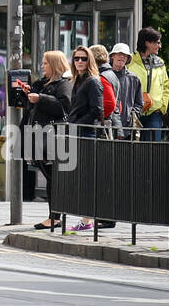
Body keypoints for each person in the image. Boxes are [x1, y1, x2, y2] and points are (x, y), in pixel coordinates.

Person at [15, 50, 72, 230]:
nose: (42, 66)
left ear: (54, 65)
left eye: (45, 63)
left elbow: (63, 107)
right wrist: (29, 94)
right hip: (37, 135)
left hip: (51, 136)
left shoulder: (63, 84)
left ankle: (54, 216)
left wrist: (40, 98)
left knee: (52, 177)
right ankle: (53, 216)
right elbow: (32, 105)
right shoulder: (43, 83)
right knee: (50, 177)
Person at [65, 46, 104, 231]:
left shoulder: (92, 82)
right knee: (82, 177)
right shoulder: (78, 81)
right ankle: (86, 219)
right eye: (76, 58)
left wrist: (79, 123)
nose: (79, 62)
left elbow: (97, 110)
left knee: (88, 177)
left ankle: (88, 220)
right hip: (78, 132)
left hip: (87, 133)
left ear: (90, 61)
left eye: (83, 59)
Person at [128, 27, 169, 142]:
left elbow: (165, 86)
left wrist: (162, 108)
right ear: (147, 43)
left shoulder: (160, 63)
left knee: (153, 150)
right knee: (133, 149)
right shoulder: (129, 61)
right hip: (133, 113)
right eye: (157, 42)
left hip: (154, 113)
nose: (159, 46)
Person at [109, 42, 142, 138]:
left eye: (125, 55)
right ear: (112, 56)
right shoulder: (104, 76)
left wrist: (132, 116)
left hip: (127, 128)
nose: (122, 57)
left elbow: (139, 103)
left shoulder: (133, 78)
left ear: (128, 59)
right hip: (107, 126)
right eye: (119, 54)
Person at [89, 44, 119, 138]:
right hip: (106, 122)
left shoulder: (102, 76)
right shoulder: (111, 74)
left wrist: (94, 117)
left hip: (101, 125)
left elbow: (110, 104)